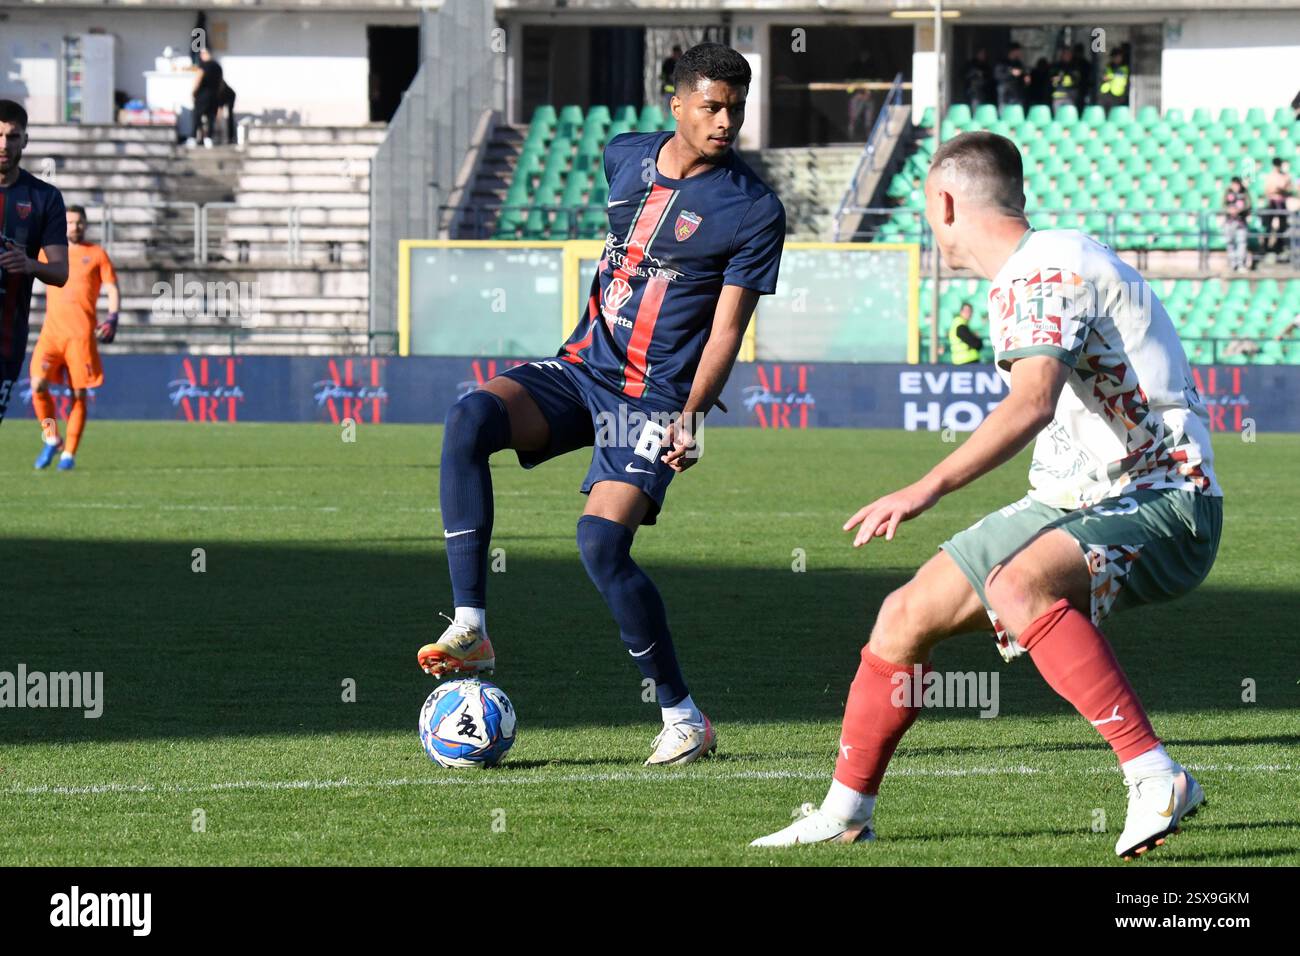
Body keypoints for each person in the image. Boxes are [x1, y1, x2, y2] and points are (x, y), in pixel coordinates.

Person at [751, 131, 1222, 862]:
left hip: (1166, 494)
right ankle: (845, 812)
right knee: (903, 617)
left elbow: (1031, 401)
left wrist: (924, 487)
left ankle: (1155, 775)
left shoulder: (1039, 272)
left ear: (943, 201)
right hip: (1079, 497)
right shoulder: (1054, 258)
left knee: (1017, 583)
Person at [417, 43, 786, 766]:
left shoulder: (753, 210)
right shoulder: (624, 156)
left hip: (651, 402)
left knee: (600, 545)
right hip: (582, 367)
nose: (725, 121)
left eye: (735, 108)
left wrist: (695, 413)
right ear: (675, 104)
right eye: (711, 106)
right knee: (469, 418)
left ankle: (683, 716)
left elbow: (729, 328)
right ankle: (472, 623)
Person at [30, 204, 119, 470]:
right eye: (69, 222)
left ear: (86, 225)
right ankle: (51, 437)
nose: (74, 226)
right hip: (51, 333)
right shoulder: (49, 252)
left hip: (81, 337)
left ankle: (68, 454)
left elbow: (112, 288)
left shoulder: (96, 254)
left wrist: (113, 317)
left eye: (79, 222)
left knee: (78, 394)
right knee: (37, 385)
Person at [0, 99, 69, 429]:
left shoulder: (44, 197)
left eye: (12, 136)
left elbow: (60, 271)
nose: (4, 145)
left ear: (25, 140)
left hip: (6, 341)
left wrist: (29, 265)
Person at [191, 46, 224, 148]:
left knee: (197, 116)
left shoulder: (203, 65)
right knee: (211, 118)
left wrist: (193, 92)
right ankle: (208, 139)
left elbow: (198, 79)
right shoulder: (218, 67)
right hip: (214, 95)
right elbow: (221, 84)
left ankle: (194, 138)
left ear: (205, 54)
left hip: (202, 95)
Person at [1262, 158, 1292, 260]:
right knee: (1269, 226)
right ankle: (1267, 248)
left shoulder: (1285, 176)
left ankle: (1279, 247)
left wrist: (1281, 190)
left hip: (1281, 202)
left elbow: (1289, 189)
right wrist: (1276, 190)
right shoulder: (1270, 176)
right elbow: (1268, 190)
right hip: (1272, 202)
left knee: (1282, 226)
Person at [1223, 176, 1251, 272]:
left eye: (1238, 184)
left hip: (1241, 222)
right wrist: (1229, 210)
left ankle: (1240, 264)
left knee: (1241, 243)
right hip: (1229, 222)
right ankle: (1233, 264)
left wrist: (1239, 210)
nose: (1236, 186)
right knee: (1230, 243)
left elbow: (1248, 205)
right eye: (1234, 184)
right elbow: (1223, 205)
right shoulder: (1227, 191)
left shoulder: (1244, 192)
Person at [994, 44, 1027, 110]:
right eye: (1018, 51)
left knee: (1017, 111)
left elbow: (1022, 74)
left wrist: (1025, 78)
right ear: (1013, 51)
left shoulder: (1018, 63)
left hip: (1016, 93)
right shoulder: (1002, 63)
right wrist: (1011, 72)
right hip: (1005, 93)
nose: (1019, 53)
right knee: (1004, 111)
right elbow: (997, 75)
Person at [1050, 46, 1083, 111]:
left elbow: (1075, 81)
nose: (1067, 56)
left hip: (1070, 96)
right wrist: (1061, 79)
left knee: (1069, 115)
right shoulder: (1056, 66)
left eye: (1068, 54)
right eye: (1065, 54)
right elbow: (1053, 80)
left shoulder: (1074, 67)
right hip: (1058, 97)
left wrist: (1061, 79)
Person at [660, 45, 682, 116]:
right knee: (667, 109)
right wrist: (667, 78)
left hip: (679, 91)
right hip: (668, 91)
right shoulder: (668, 62)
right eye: (675, 53)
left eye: (677, 53)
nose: (676, 55)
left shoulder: (682, 63)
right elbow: (662, 76)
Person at [218, 78, 237, 145]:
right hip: (224, 96)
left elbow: (220, 107)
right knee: (224, 116)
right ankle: (229, 136)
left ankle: (231, 137)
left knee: (229, 116)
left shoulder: (219, 83)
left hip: (230, 96)